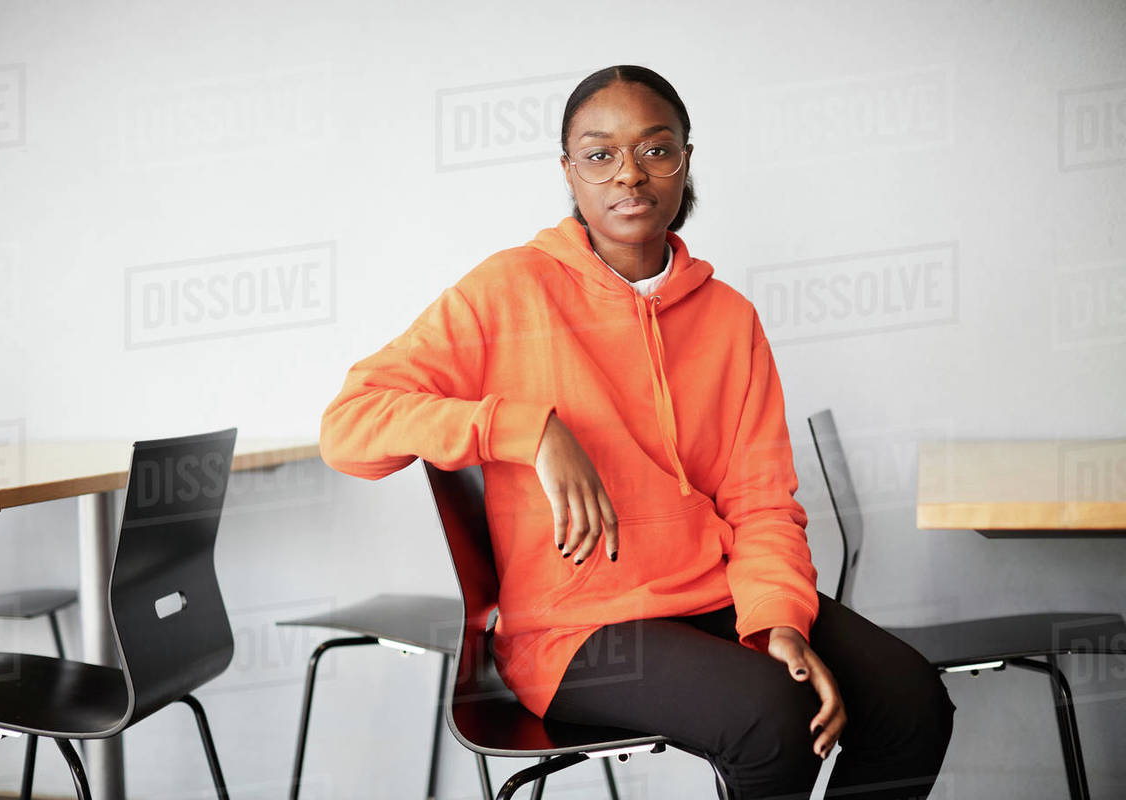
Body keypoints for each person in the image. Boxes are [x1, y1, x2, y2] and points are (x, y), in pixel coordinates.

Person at [319, 65, 956, 799]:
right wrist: (524, 428)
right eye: (599, 155)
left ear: (686, 160)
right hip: (575, 630)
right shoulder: (507, 291)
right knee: (774, 720)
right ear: (569, 172)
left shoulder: (730, 319)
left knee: (911, 703)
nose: (629, 175)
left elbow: (760, 502)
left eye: (656, 151)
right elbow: (350, 429)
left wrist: (778, 620)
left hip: (715, 592)